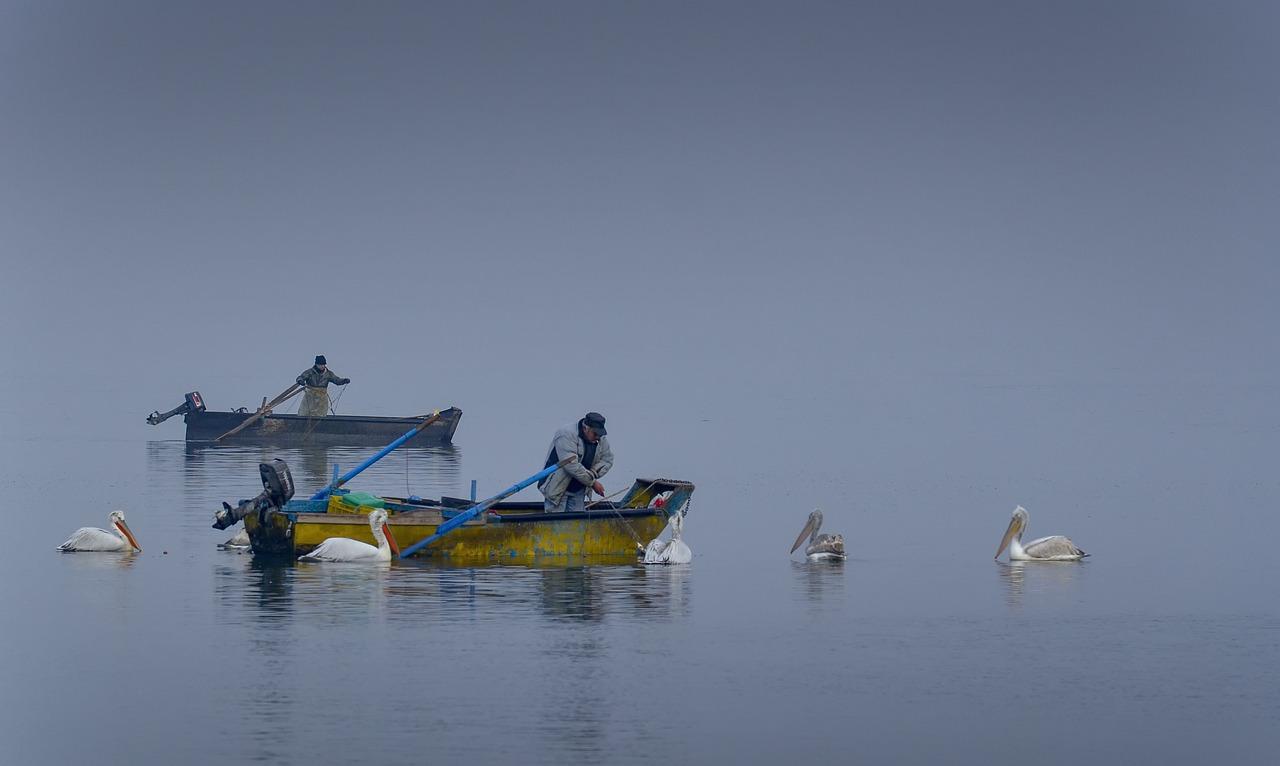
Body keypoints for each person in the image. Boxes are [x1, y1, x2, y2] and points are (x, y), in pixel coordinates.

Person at [539, 412, 613, 513]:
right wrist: (592, 482)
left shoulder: (600, 438)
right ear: (586, 428)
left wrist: (593, 473)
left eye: (600, 434)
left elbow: (607, 459)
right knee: (557, 525)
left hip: (578, 490)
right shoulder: (566, 434)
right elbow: (571, 465)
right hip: (557, 489)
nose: (598, 437)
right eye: (595, 433)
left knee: (577, 524)